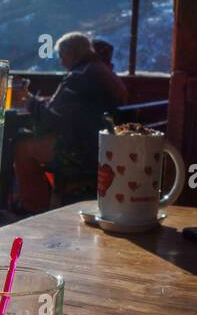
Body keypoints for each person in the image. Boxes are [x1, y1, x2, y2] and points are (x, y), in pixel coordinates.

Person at [21, 31, 125, 206]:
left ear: (71, 53)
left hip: (79, 151)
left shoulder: (79, 77)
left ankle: (34, 206)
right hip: (102, 147)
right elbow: (75, 108)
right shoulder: (101, 71)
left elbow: (51, 119)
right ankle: (44, 200)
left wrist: (30, 102)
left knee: (22, 147)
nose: (61, 61)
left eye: (62, 55)